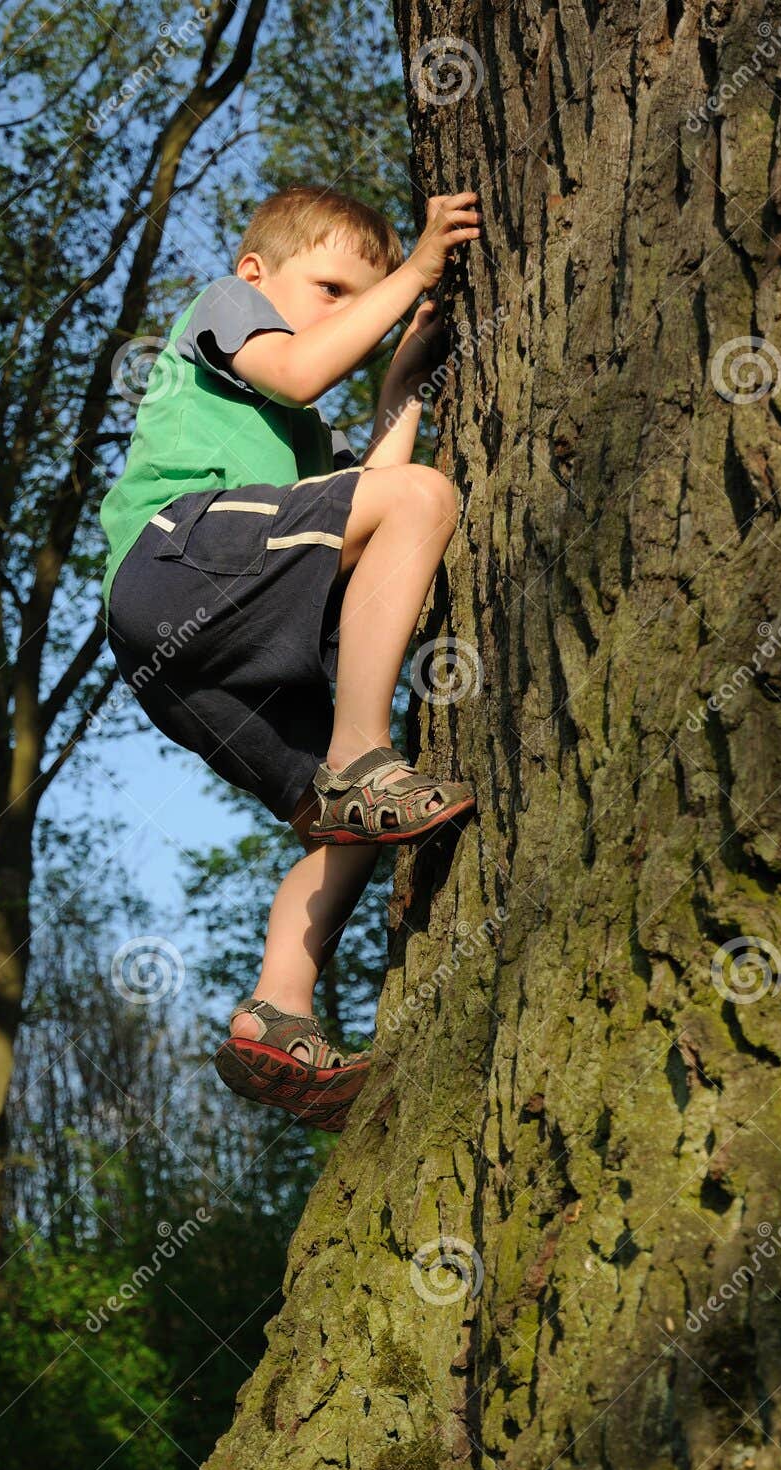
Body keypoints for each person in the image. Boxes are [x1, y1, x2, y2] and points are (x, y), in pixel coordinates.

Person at [100, 184, 483, 1132]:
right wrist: (413, 269)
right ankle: (362, 749)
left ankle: (279, 1011)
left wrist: (400, 385)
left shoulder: (303, 446)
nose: (346, 310)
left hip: (193, 665)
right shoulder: (224, 309)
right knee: (429, 501)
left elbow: (368, 494)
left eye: (361, 295)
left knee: (348, 828)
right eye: (332, 289)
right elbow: (307, 373)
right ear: (256, 273)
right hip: (177, 557)